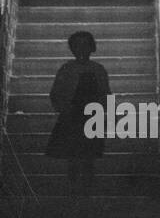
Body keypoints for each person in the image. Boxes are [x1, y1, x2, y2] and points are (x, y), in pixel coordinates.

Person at [44, 30, 110, 196]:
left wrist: (103, 112)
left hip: (92, 117)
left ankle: (88, 186)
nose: (81, 49)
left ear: (92, 48)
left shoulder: (98, 69)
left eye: (85, 45)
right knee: (72, 154)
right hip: (72, 116)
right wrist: (63, 108)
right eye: (77, 46)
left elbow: (105, 92)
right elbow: (56, 92)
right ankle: (73, 186)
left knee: (89, 154)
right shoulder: (67, 69)